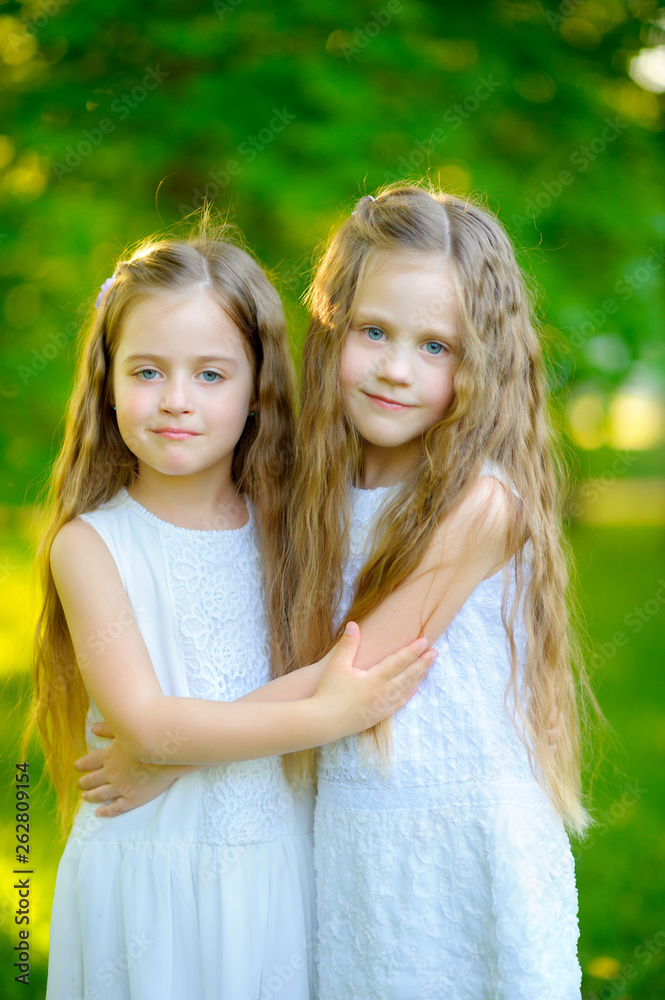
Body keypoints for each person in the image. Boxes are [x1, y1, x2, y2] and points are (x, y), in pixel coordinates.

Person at [29, 215, 435, 1000]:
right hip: (151, 878)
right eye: (146, 372)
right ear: (107, 382)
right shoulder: (92, 545)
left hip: (276, 865)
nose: (175, 401)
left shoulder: (292, 530)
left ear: (259, 390)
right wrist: (330, 713)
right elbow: (146, 727)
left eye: (211, 375)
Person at [277, 183, 595, 999]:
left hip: (456, 845)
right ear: (332, 323)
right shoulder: (320, 481)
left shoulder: (479, 501)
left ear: (479, 359)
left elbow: (355, 672)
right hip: (359, 836)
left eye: (435, 347)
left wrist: (169, 744)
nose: (393, 368)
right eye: (374, 331)